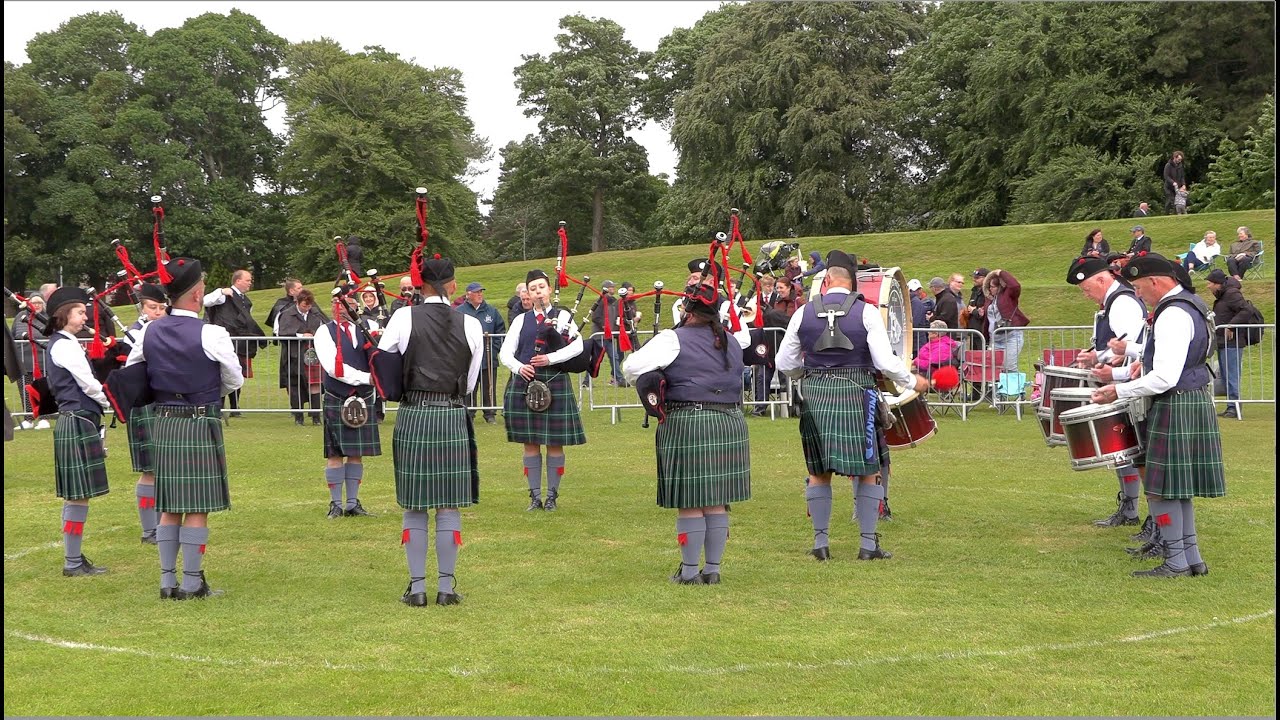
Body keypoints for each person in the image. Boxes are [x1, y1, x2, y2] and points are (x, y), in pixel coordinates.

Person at [776, 251, 929, 562]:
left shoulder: (802, 313)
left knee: (818, 470)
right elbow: (885, 362)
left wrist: (808, 375)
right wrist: (913, 382)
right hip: (857, 392)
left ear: (826, 281)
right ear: (851, 282)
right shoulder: (867, 312)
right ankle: (868, 545)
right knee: (868, 469)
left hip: (816, 394)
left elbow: (785, 363)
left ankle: (821, 544)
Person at [1091, 254, 1222, 578]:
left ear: (1154, 281)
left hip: (1174, 401)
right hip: (1190, 399)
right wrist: (1132, 354)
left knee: (1160, 488)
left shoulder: (1172, 313)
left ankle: (1176, 561)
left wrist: (1119, 390)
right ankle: (1191, 558)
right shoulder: (1190, 303)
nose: (1137, 294)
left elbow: (1164, 377)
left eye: (1138, 287)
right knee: (1178, 488)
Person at [125, 257, 244, 599]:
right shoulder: (212, 333)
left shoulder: (148, 331)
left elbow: (133, 370)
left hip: (164, 422)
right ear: (196, 294)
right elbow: (233, 379)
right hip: (198, 421)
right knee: (196, 506)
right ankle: (192, 582)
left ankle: (167, 582)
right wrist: (206, 394)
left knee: (169, 506)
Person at [622, 282, 753, 585]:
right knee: (717, 499)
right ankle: (713, 570)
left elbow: (631, 368)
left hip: (690, 421)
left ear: (687, 310)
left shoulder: (672, 338)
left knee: (691, 500)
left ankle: (690, 572)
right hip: (730, 422)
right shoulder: (732, 340)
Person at [378, 254, 482, 607]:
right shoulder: (472, 324)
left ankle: (418, 588)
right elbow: (470, 382)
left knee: (415, 504)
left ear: (419, 285)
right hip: (451, 414)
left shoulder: (402, 317)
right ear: (453, 285)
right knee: (448, 505)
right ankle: (447, 589)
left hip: (415, 414)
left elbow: (383, 365)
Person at [1067, 256, 1148, 529]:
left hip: (1129, 385)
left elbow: (1128, 347)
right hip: (1122, 383)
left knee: (1129, 451)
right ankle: (1130, 508)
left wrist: (1102, 361)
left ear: (1102, 280)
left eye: (1087, 289)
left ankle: (1142, 513)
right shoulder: (1113, 301)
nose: (1086, 295)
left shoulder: (1122, 302)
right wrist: (1095, 354)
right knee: (1122, 450)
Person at [499, 269, 587, 512]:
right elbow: (505, 352)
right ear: (527, 294)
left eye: (541, 287)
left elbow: (577, 346)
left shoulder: (564, 316)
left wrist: (550, 358)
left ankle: (552, 497)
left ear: (549, 289)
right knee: (530, 443)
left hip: (555, 380)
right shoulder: (520, 320)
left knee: (554, 443)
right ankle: (535, 497)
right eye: (533, 289)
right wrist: (519, 368)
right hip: (526, 382)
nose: (538, 292)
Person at [43, 286, 114, 578]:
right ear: (64, 315)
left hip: (78, 420)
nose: (86, 317)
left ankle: (74, 558)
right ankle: (72, 562)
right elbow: (88, 384)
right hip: (77, 419)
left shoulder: (65, 342)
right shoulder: (65, 345)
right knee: (78, 495)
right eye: (81, 312)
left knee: (78, 495)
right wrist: (112, 402)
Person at [314, 291, 381, 519]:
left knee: (356, 453)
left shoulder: (369, 327)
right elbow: (334, 367)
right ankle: (336, 504)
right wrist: (367, 378)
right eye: (337, 303)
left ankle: (352, 503)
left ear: (356, 306)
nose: (341, 307)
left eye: (347, 303)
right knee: (335, 453)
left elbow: (381, 354)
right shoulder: (324, 332)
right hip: (338, 395)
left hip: (363, 398)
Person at [125, 282, 169, 544]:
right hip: (144, 402)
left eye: (162, 307)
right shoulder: (135, 333)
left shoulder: (161, 330)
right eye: (153, 307)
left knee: (162, 467)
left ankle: (160, 526)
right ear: (142, 308)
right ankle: (149, 530)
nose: (158, 312)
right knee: (150, 469)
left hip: (161, 402)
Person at [203, 270, 265, 416]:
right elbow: (206, 301)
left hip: (240, 343)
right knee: (221, 375)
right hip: (223, 342)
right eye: (248, 280)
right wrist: (221, 291)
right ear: (238, 281)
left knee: (237, 373)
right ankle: (219, 407)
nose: (250, 283)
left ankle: (234, 408)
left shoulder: (246, 301)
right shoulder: (224, 296)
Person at [454, 281, 505, 424]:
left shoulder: (492, 311)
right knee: (469, 387)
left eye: (481, 292)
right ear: (468, 294)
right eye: (477, 292)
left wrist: (493, 350)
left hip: (488, 358)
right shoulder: (459, 311)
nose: (480, 294)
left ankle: (490, 414)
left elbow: (500, 332)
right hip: (467, 359)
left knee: (489, 387)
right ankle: (469, 413)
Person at [1204, 269, 1250, 420]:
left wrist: (1231, 325)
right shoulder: (1225, 295)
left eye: (1210, 283)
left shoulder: (1232, 294)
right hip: (1224, 342)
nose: (1208, 286)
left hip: (1232, 342)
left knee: (1231, 376)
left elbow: (1246, 310)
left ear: (1217, 284)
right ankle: (1231, 406)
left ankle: (1234, 407)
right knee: (1226, 376)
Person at [276, 289, 327, 426]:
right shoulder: (287, 314)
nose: (307, 308)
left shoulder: (315, 313)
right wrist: (301, 335)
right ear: (297, 302)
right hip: (294, 355)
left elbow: (325, 327)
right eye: (305, 305)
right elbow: (282, 333)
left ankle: (316, 418)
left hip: (313, 354)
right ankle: (299, 418)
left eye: (309, 305)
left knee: (315, 385)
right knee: (295, 387)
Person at [13, 293, 49, 430]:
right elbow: (13, 335)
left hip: (43, 360)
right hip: (23, 360)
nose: (37, 305)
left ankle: (44, 418)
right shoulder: (20, 317)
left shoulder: (47, 318)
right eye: (34, 303)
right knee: (25, 389)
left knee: (43, 389)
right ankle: (28, 418)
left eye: (40, 303)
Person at [981, 269, 1029, 372]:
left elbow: (1015, 286)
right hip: (995, 339)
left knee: (1010, 367)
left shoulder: (1008, 295)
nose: (990, 289)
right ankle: (999, 384)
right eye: (989, 287)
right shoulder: (989, 299)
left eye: (993, 287)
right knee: (993, 369)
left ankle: (1014, 383)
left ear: (1000, 287)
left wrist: (1001, 273)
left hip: (1011, 337)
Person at [590, 280, 627, 386]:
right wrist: (604, 326)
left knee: (614, 357)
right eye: (611, 287)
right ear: (606, 289)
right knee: (597, 359)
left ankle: (619, 378)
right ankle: (586, 381)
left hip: (608, 336)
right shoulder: (601, 301)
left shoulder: (614, 301)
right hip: (600, 335)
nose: (613, 288)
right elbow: (595, 317)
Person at [907, 279, 929, 353]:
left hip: (917, 341)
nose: (919, 292)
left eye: (919, 289)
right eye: (917, 290)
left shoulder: (915, 302)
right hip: (917, 340)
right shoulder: (914, 301)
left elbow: (915, 322)